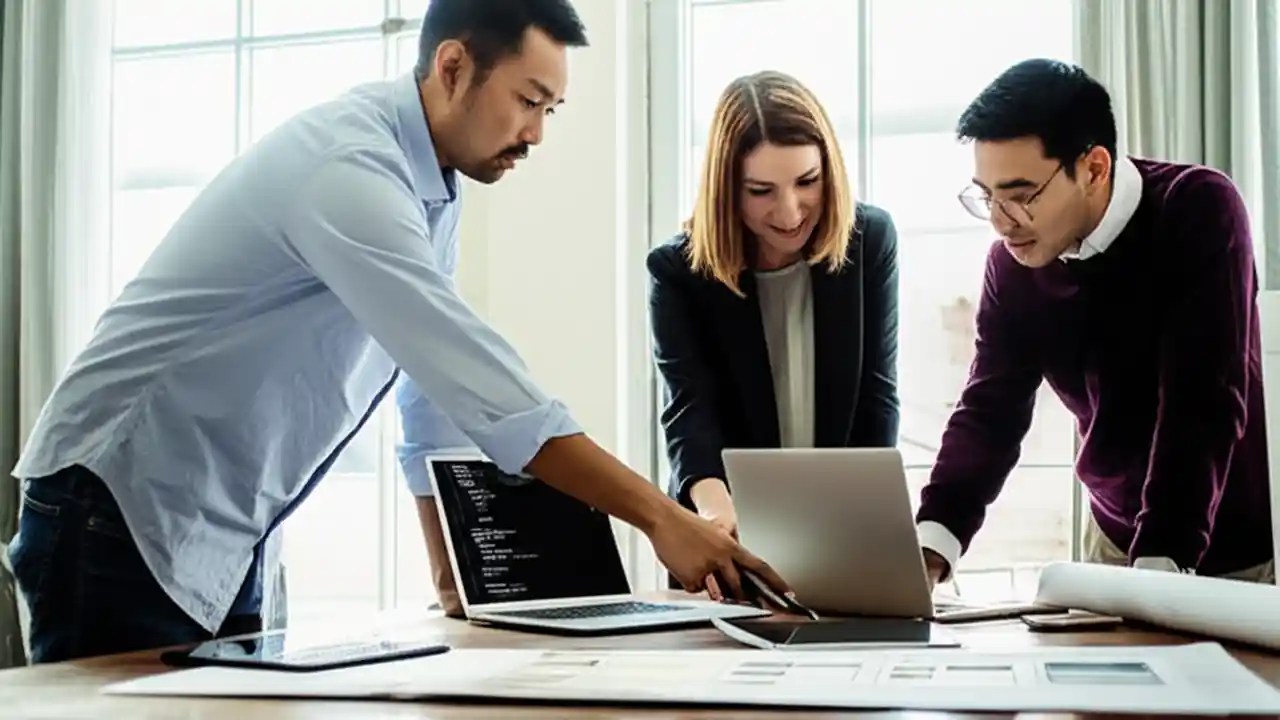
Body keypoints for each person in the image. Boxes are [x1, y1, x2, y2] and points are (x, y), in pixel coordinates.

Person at [6, 0, 788, 664]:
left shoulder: (433, 187)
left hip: (227, 524)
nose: (538, 134)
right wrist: (661, 517)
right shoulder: (350, 170)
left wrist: (456, 585)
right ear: (453, 67)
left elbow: (427, 404)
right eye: (527, 100)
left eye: (551, 109)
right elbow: (486, 389)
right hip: (112, 507)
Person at [915, 58, 1274, 587]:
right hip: (1112, 540)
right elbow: (990, 411)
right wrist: (931, 546)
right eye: (988, 197)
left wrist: (1159, 567)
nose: (999, 221)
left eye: (1020, 196)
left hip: (1231, 547)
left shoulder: (1197, 208)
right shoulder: (1013, 266)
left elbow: (1204, 400)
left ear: (1094, 168)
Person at [647, 70, 900, 594]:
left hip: (844, 536)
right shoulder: (678, 273)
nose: (789, 212)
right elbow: (689, 411)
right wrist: (717, 520)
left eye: (807, 181)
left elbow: (877, 399)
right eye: (761, 191)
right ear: (726, 189)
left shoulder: (869, 241)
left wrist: (872, 532)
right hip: (727, 545)